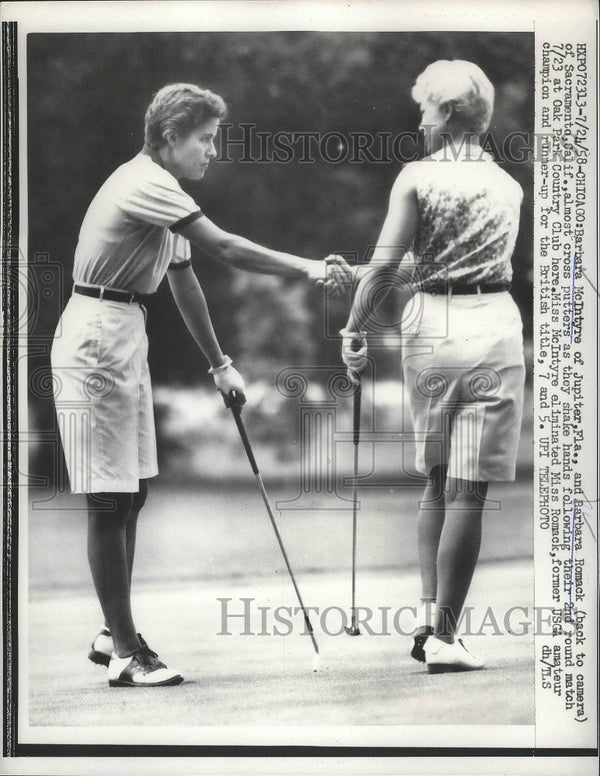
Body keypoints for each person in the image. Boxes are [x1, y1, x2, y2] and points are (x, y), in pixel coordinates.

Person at [51, 83, 350, 688]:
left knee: (130, 494)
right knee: (110, 499)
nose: (214, 151)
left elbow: (185, 279)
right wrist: (309, 266)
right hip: (97, 335)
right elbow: (228, 248)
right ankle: (126, 653)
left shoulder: (167, 195)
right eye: (206, 139)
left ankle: (116, 631)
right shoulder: (146, 182)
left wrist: (220, 364)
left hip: (122, 330)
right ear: (170, 138)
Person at [341, 60, 525, 673]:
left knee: (437, 477)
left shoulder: (417, 176)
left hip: (430, 323)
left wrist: (353, 328)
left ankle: (429, 617)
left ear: (447, 113)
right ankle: (445, 633)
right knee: (469, 486)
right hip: (493, 320)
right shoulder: (508, 185)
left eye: (425, 108)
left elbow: (386, 265)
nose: (419, 119)